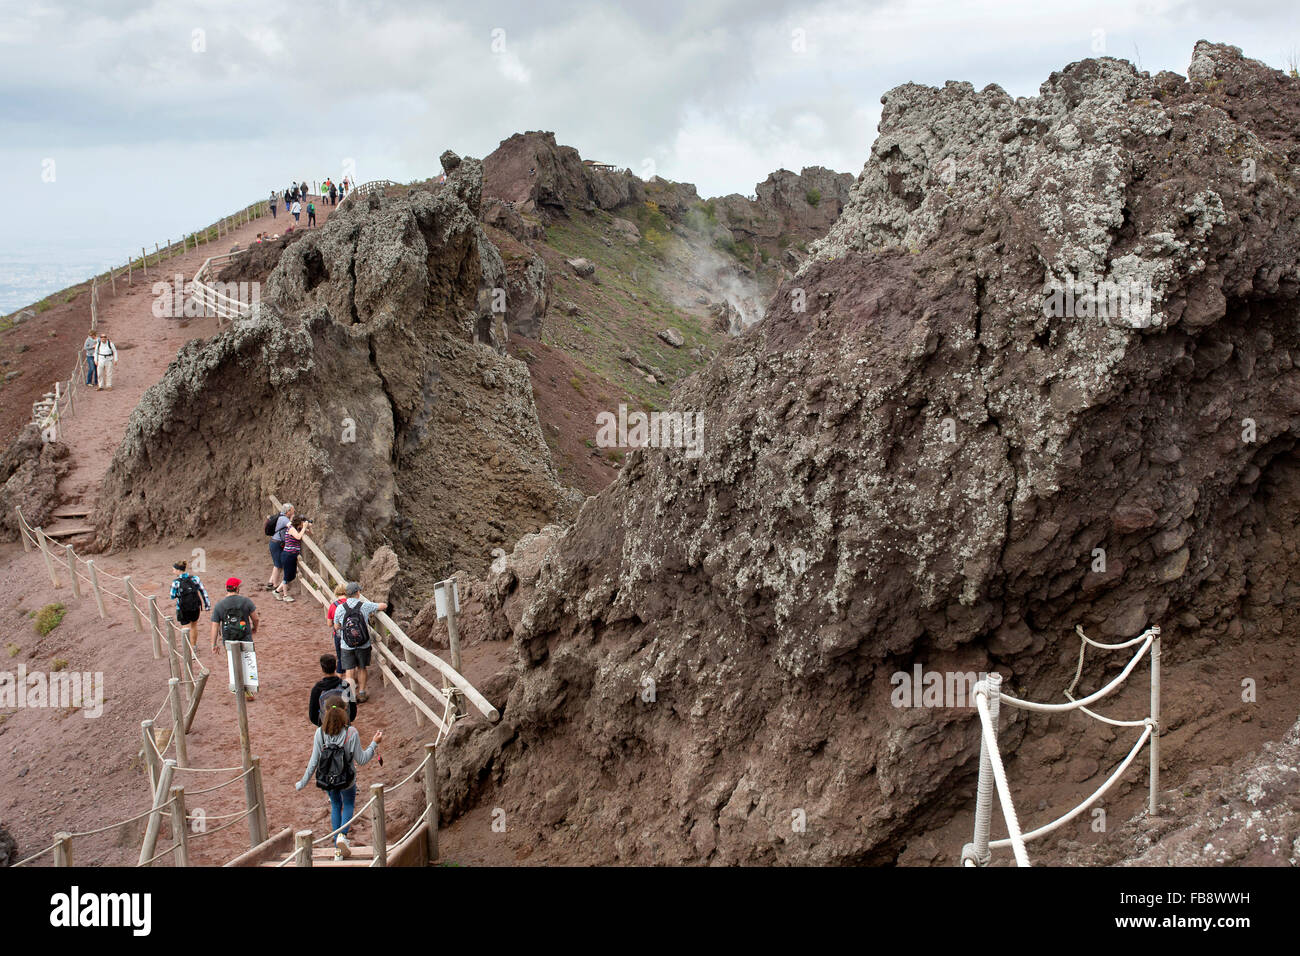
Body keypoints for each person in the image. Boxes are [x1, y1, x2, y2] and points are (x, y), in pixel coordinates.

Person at [294, 702, 382, 860]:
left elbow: (313, 762)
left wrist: (302, 783)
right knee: (348, 804)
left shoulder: (319, 733)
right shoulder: (351, 732)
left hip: (328, 779)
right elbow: (361, 760)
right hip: (346, 779)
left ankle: (337, 849)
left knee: (335, 805)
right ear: (344, 714)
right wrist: (374, 743)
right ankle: (342, 837)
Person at [333, 582, 387, 703]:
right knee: (362, 668)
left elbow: (336, 626)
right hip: (363, 643)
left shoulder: (340, 608)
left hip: (346, 644)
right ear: (357, 593)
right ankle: (362, 693)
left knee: (349, 670)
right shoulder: (364, 606)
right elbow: (382, 606)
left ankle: (350, 696)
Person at [209, 578, 259, 701]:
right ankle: (249, 691)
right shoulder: (246, 601)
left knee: (233, 662)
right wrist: (254, 628)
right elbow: (255, 618)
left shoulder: (220, 605)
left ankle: (236, 687)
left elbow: (215, 626)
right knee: (247, 662)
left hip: (229, 639)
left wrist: (213, 644)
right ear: (237, 588)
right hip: (245, 636)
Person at [169, 560, 211, 656]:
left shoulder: (176, 582)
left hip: (183, 608)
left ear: (178, 570)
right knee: (194, 626)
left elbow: (172, 595)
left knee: (185, 628)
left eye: (174, 570)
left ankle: (188, 650)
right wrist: (207, 605)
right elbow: (203, 591)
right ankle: (193, 647)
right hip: (195, 607)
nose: (173, 572)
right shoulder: (195, 578)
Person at [308, 654, 357, 726]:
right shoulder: (345, 685)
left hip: (326, 728)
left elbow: (312, 715)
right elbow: (353, 711)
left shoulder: (317, 688)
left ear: (322, 669)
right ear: (336, 667)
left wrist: (323, 724)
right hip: (344, 725)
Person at [274, 515, 312, 603]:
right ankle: (285, 596)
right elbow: (298, 537)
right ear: (299, 523)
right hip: (288, 555)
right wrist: (304, 528)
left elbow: (311, 534)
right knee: (287, 576)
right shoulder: (291, 528)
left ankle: (276, 591)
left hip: (292, 555)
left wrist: (309, 527)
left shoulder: (298, 529)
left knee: (292, 575)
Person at [266, 502, 293, 591]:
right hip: (277, 543)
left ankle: (271, 582)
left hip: (275, 542)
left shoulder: (280, 516)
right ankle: (275, 584)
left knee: (277, 564)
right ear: (288, 511)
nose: (293, 512)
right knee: (278, 565)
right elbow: (291, 527)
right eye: (292, 510)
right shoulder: (284, 519)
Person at [326, 582, 348, 662]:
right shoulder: (352, 603)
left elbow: (329, 624)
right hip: (352, 633)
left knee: (340, 659)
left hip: (339, 634)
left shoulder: (333, 606)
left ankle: (340, 672)